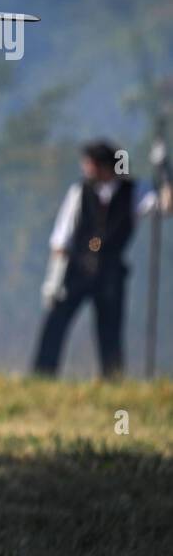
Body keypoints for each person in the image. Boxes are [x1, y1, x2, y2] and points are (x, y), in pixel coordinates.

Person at [32, 139, 173, 378]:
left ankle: (113, 379)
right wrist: (53, 279)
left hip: (110, 273)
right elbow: (61, 238)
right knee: (54, 325)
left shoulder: (134, 191)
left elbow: (167, 206)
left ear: (105, 166)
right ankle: (42, 375)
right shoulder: (79, 191)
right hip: (76, 269)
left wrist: (164, 169)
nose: (86, 169)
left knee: (110, 332)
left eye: (90, 164)